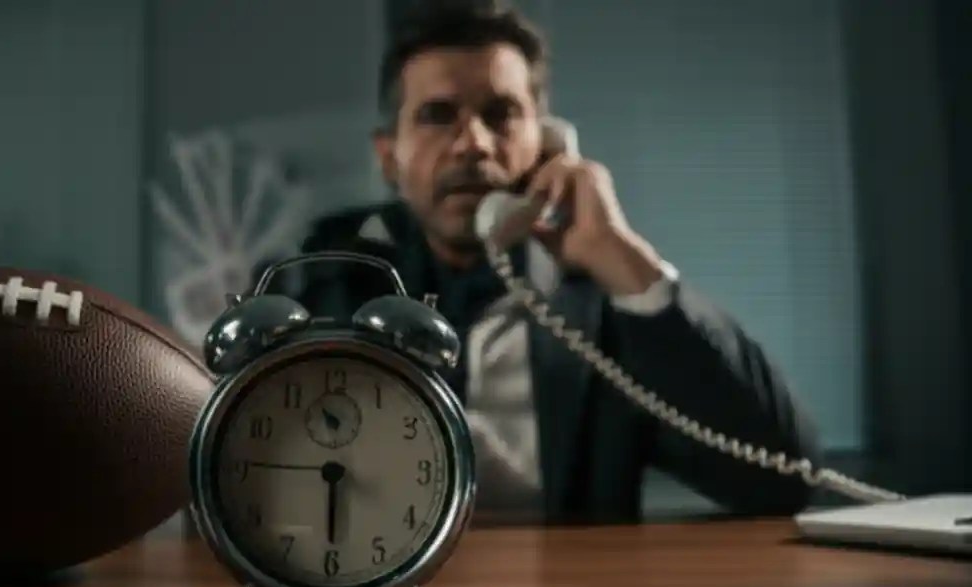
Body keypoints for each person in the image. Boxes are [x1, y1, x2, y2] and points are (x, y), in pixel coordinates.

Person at [269, 6, 820, 524]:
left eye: (500, 113)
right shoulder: (317, 286)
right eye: (439, 116)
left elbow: (783, 481)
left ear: (548, 142)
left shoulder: (603, 308)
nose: (474, 145)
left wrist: (626, 259)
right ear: (390, 157)